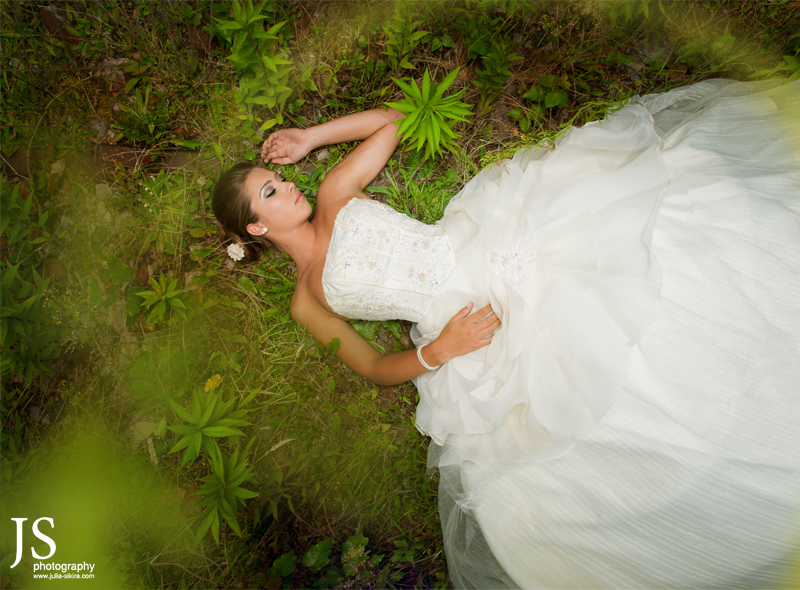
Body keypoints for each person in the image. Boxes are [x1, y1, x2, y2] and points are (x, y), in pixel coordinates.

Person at [213, 78, 800, 589]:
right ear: (257, 226)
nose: (287, 185)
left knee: (614, 261)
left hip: (481, 247)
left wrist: (310, 137)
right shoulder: (306, 300)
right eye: (270, 192)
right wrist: (435, 352)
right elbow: (370, 368)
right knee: (547, 419)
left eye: (277, 177)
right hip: (457, 322)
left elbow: (390, 121)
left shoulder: (334, 195)